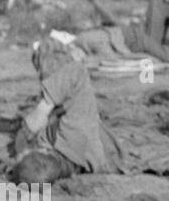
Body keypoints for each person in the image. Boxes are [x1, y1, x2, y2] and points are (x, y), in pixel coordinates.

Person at [11, 37, 119, 183]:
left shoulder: (73, 75)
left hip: (79, 148)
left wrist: (42, 108)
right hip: (77, 151)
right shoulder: (72, 124)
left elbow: (32, 125)